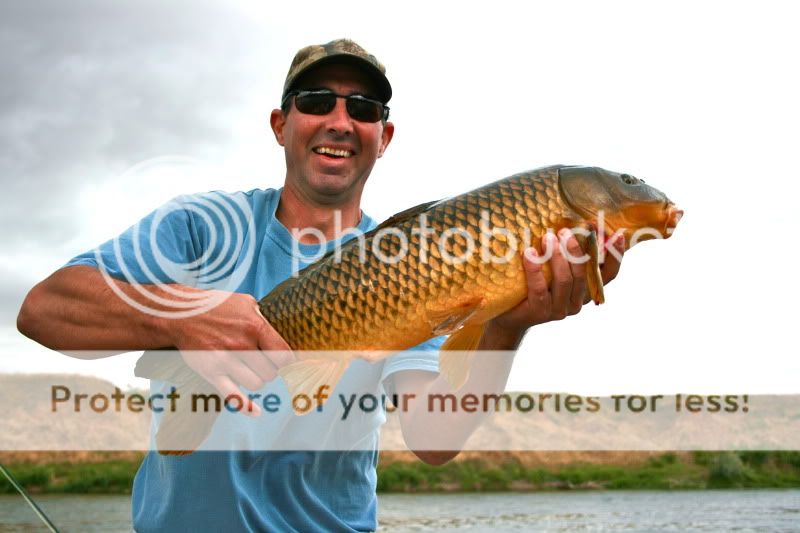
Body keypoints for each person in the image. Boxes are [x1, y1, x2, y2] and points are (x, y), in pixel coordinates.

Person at [17, 39, 623, 532]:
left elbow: (434, 441)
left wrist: (507, 325)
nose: (340, 121)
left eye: (363, 109)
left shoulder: (425, 261)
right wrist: (180, 317)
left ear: (383, 137)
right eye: (317, 101)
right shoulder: (197, 227)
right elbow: (44, 309)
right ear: (281, 124)